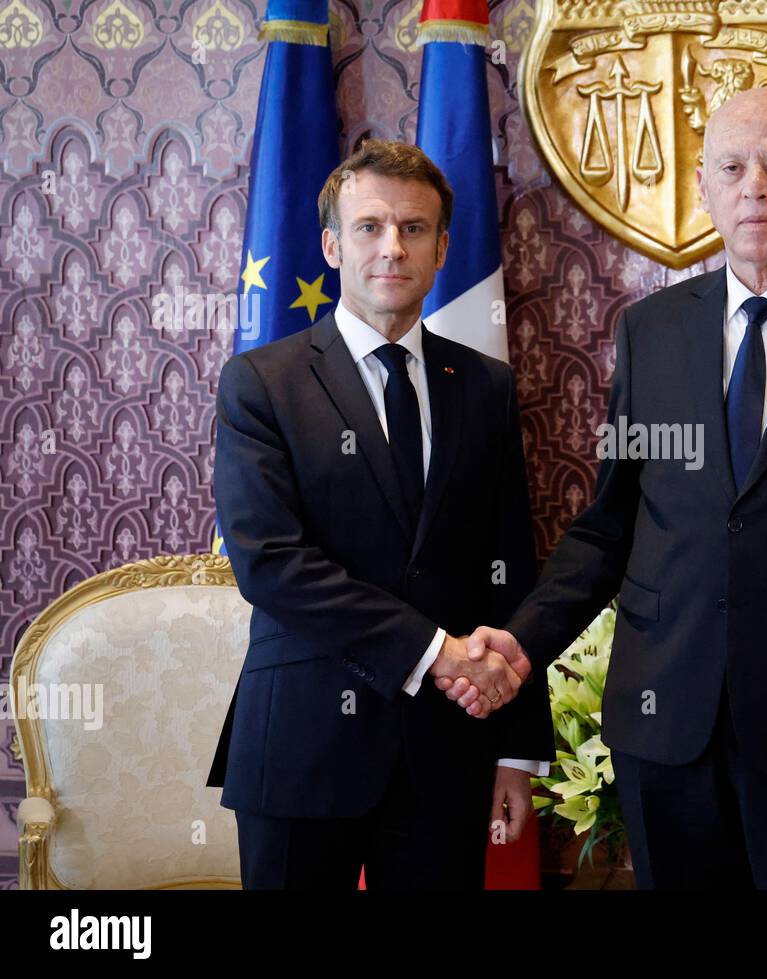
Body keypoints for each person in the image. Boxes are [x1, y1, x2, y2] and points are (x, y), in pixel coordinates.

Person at [439, 90, 767, 888]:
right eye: (733, 168)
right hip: (664, 729)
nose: (755, 187)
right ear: (705, 186)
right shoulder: (653, 330)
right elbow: (610, 526)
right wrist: (523, 640)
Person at [207, 139, 552, 889]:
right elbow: (271, 564)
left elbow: (509, 567)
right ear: (332, 245)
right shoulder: (261, 383)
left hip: (448, 753)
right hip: (300, 745)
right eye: (369, 227)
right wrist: (438, 651)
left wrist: (518, 752)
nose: (392, 247)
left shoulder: (484, 387)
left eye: (414, 228)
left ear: (441, 249)